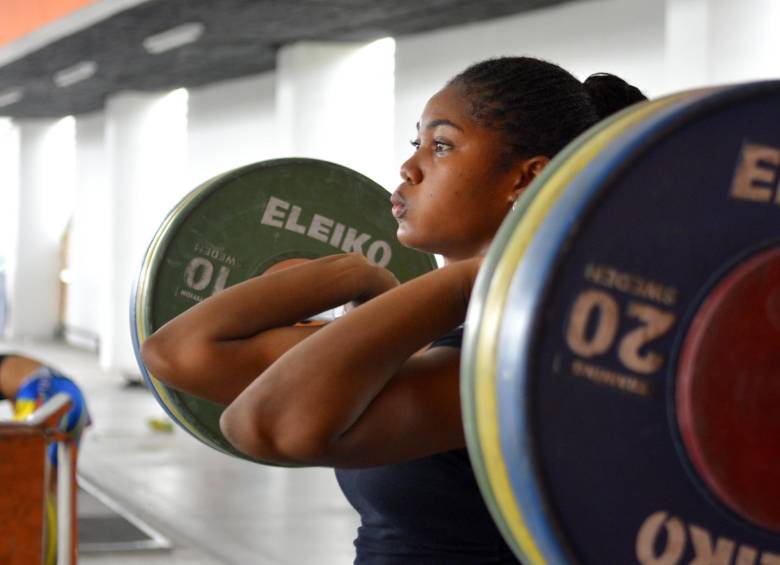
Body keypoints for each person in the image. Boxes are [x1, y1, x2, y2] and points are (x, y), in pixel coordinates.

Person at [141, 56, 646, 563]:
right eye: (416, 144)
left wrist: (486, 271)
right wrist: (354, 273)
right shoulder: (425, 337)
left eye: (441, 145)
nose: (409, 168)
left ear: (526, 179)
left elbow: (267, 425)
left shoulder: (516, 358)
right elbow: (178, 352)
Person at [0, 352, 91, 565]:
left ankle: (39, 555)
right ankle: (55, 554)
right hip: (73, 397)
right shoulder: (16, 366)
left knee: (29, 487)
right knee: (54, 484)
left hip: (41, 394)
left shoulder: (24, 383)